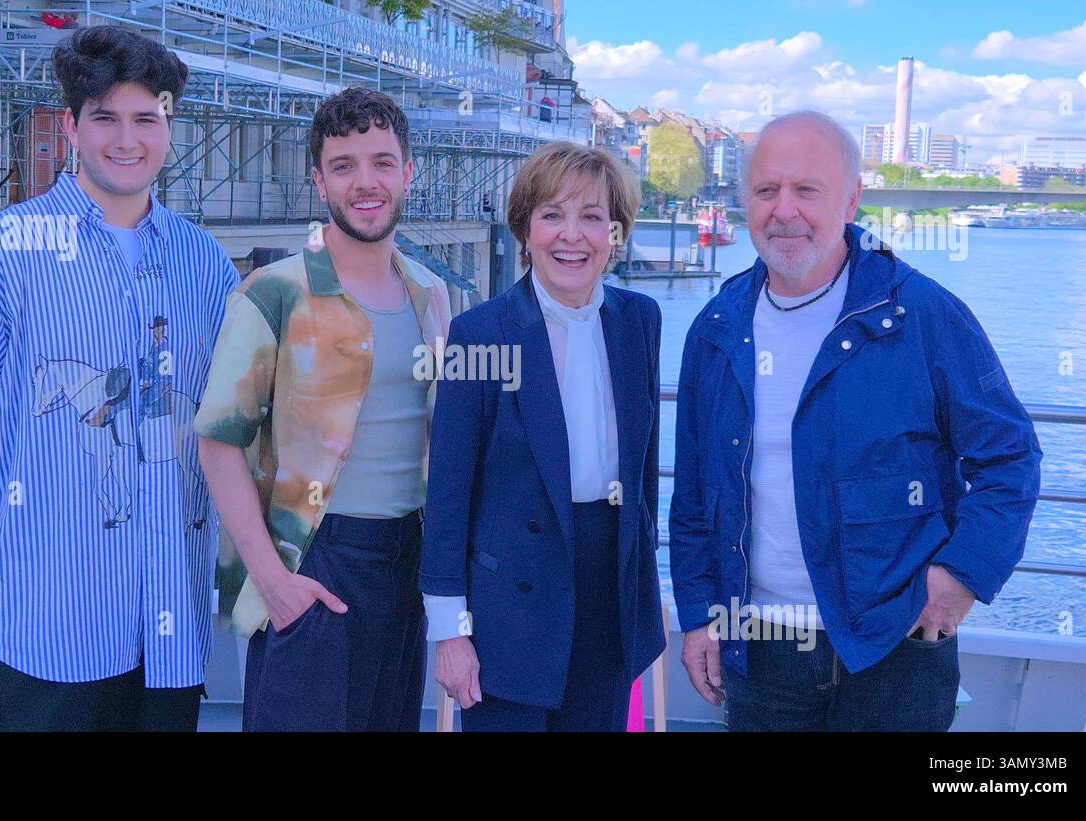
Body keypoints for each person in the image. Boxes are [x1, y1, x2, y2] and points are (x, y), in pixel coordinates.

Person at [0, 25, 240, 730]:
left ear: (169, 125)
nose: (127, 138)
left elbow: (221, 413)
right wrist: (15, 507)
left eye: (147, 117)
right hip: (40, 625)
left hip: (165, 627)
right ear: (71, 126)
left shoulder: (204, 262)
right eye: (106, 117)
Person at [669, 110, 1042, 731]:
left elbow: (1009, 457)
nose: (784, 210)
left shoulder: (921, 314)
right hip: (758, 650)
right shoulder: (716, 327)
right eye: (766, 190)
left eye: (807, 189)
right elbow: (694, 499)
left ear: (851, 198)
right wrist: (700, 616)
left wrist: (961, 576)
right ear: (745, 201)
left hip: (895, 646)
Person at [193, 87, 451, 732]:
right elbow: (218, 442)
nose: (365, 182)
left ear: (408, 172)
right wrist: (272, 579)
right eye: (344, 165)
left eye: (382, 162)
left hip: (407, 561)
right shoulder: (274, 292)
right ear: (319, 180)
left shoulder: (433, 294)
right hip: (313, 554)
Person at [422, 141, 666, 731]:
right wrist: (450, 632)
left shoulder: (641, 322)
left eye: (591, 217)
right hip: (509, 608)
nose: (571, 236)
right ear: (525, 231)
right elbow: (448, 494)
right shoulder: (479, 334)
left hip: (609, 596)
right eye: (552, 215)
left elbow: (644, 475)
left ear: (616, 233)